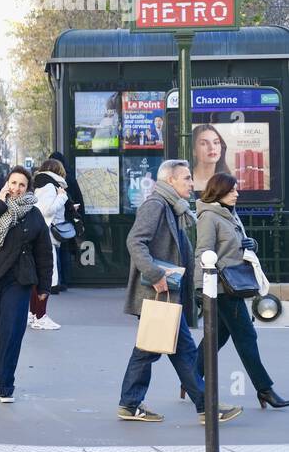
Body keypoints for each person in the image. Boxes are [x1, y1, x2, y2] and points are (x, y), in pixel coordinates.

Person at [117, 159, 240, 423]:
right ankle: (206, 406)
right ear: (170, 180)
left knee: (152, 350)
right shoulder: (156, 205)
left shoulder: (172, 207)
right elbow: (135, 242)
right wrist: (156, 274)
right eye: (186, 178)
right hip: (159, 293)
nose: (191, 183)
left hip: (168, 294)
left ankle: (130, 403)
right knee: (178, 350)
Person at [194, 173, 287, 409]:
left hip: (231, 285)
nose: (237, 194)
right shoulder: (209, 217)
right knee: (247, 337)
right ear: (219, 192)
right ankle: (264, 389)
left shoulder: (229, 213)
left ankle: (192, 379)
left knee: (217, 338)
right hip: (221, 288)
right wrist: (200, 287)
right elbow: (203, 253)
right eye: (232, 190)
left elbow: (234, 245)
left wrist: (250, 244)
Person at [0, 166, 53, 403]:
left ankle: (6, 383)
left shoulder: (33, 214)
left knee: (11, 331)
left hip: (19, 280)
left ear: (28, 189)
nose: (17, 188)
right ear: (7, 184)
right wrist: (1, 202)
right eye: (13, 183)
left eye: (22, 185)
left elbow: (44, 254)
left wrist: (44, 288)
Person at [28, 159, 69, 330]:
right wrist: (62, 198)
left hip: (40, 234)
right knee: (46, 277)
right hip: (45, 236)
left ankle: (33, 314)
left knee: (38, 277)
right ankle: (40, 315)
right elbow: (46, 210)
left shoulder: (41, 183)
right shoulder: (50, 187)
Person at [48, 151, 83, 291]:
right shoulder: (70, 178)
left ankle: (58, 281)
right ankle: (65, 280)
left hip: (58, 220)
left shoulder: (54, 181)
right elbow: (78, 198)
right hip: (68, 220)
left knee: (57, 250)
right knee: (65, 250)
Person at [191, 124, 231, 193]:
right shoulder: (188, 180)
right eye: (203, 143)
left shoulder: (228, 179)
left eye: (216, 142)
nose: (212, 147)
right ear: (193, 150)